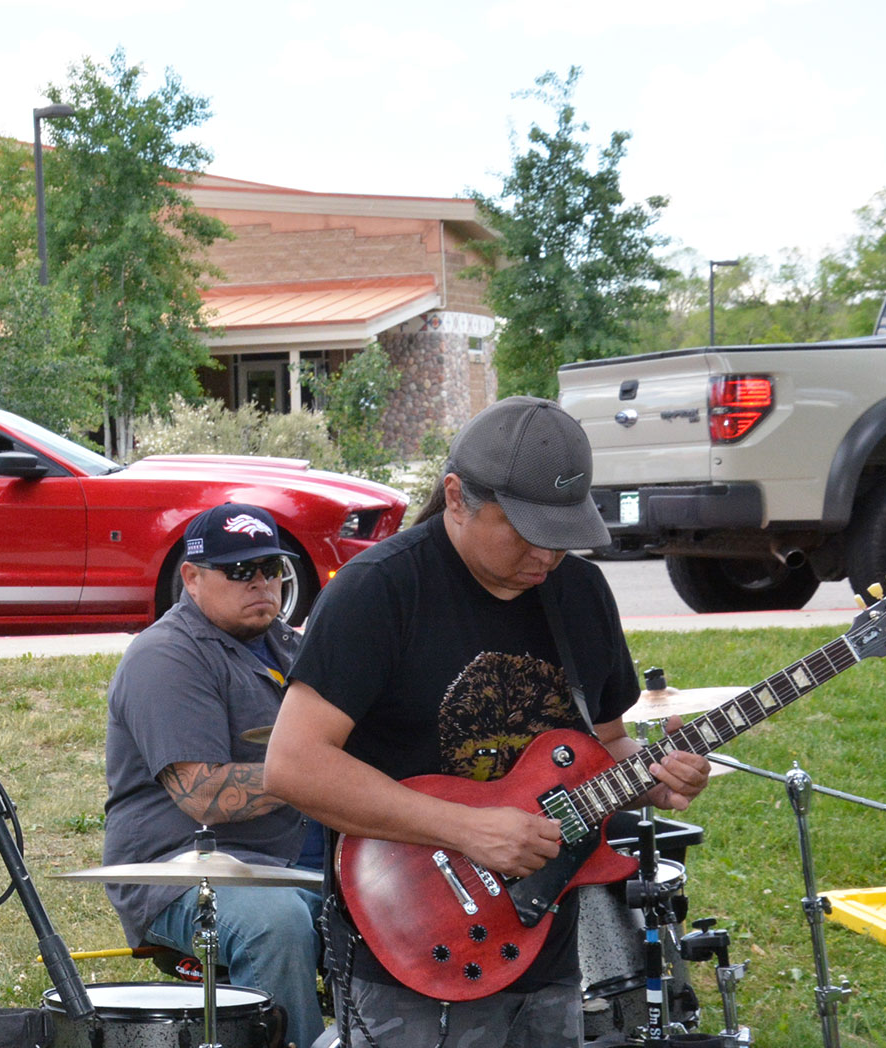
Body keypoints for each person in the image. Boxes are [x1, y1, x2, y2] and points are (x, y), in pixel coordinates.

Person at [264, 397, 710, 1048]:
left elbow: (605, 743)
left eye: (562, 534)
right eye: (524, 529)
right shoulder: (381, 591)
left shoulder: (581, 595)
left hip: (542, 946)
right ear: (455, 497)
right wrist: (468, 829)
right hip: (410, 940)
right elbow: (294, 764)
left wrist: (655, 783)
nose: (547, 555)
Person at [103, 502, 326, 1048]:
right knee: (275, 921)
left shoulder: (291, 646)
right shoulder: (166, 656)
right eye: (240, 572)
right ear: (193, 577)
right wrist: (319, 776)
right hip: (187, 867)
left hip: (308, 861)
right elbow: (205, 797)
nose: (261, 584)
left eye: (271, 569)